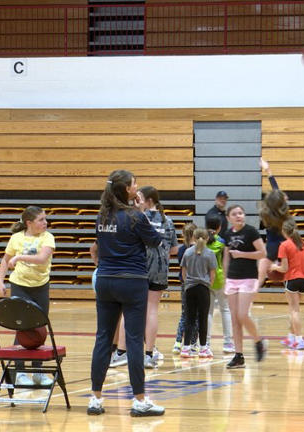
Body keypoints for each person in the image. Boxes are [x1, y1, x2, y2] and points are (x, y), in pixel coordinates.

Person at [88, 169, 165, 417]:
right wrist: (143, 212)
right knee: (133, 340)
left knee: (103, 338)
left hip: (105, 280)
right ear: (126, 190)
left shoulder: (102, 216)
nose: (137, 188)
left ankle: (95, 399)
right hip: (132, 282)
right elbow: (156, 241)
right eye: (134, 185)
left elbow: (98, 246)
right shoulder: (136, 216)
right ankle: (140, 400)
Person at [0, 205, 55, 387]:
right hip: (20, 285)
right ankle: (20, 372)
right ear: (29, 223)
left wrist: (19, 257)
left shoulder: (48, 237)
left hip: (40, 287)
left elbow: (41, 258)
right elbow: (5, 260)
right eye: (41, 220)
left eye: (45, 219)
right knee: (21, 328)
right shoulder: (16, 238)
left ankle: (38, 372)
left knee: (39, 328)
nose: (45, 223)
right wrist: (0, 281)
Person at [222, 204, 268, 369]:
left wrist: (242, 254)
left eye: (241, 213)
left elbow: (263, 253)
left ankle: (258, 341)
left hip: (248, 277)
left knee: (242, 315)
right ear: (229, 218)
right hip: (232, 279)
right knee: (234, 320)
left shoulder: (251, 231)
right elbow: (226, 258)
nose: (239, 216)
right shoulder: (227, 234)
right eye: (235, 214)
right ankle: (238, 355)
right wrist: (225, 277)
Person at [138, 186, 179, 367]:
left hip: (139, 268)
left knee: (133, 310)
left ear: (149, 201)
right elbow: (174, 249)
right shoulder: (168, 221)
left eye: (139, 199)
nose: (136, 202)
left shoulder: (140, 217)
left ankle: (123, 351)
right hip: (160, 269)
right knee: (152, 310)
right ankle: (149, 352)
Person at [271, 219, 304, 350]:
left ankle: (299, 340)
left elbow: (283, 268)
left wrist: (273, 267)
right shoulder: (303, 243)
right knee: (294, 310)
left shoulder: (285, 245)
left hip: (292, 278)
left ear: (284, 231)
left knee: (294, 311)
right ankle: (291, 337)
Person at [180, 228, 218, 358]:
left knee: (189, 318)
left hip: (190, 288)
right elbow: (212, 275)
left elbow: (183, 272)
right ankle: (202, 348)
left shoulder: (187, 252)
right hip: (203, 288)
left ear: (194, 238)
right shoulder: (210, 253)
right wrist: (208, 285)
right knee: (203, 319)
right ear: (207, 238)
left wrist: (187, 284)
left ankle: (185, 348)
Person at [258, 158, 291, 292]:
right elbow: (276, 190)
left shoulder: (266, 214)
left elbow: (276, 192)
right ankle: (292, 291)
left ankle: (248, 302)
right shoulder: (283, 213)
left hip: (271, 247)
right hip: (283, 245)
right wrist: (268, 170)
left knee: (260, 276)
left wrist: (267, 169)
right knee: (289, 272)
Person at [204, 216, 234, 354]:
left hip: (205, 278)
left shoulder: (201, 241)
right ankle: (228, 343)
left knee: (208, 312)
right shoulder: (222, 242)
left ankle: (206, 343)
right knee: (225, 310)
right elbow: (227, 261)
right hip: (220, 278)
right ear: (219, 227)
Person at [173, 222, 198, 354]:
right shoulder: (197, 250)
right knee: (196, 315)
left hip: (184, 283)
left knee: (184, 314)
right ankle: (193, 343)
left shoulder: (181, 249)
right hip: (195, 283)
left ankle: (177, 343)